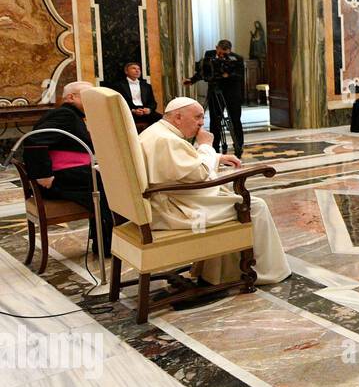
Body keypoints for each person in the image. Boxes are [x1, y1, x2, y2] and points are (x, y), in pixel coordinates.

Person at [138, 97, 290, 286]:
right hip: (174, 212)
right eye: (198, 117)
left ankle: (221, 273)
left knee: (226, 194)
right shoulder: (166, 140)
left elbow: (181, 166)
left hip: (168, 201)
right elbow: (199, 173)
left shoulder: (156, 132)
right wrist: (206, 146)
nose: (202, 123)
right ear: (178, 117)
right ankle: (265, 272)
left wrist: (217, 158)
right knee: (254, 206)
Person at [23, 81, 120, 256]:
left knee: (107, 180)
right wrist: (43, 174)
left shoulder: (69, 114)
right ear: (71, 97)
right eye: (88, 95)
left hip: (69, 174)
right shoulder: (65, 115)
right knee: (113, 185)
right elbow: (34, 140)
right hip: (58, 180)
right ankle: (112, 244)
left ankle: (106, 243)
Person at [183, 39, 245, 157]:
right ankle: (214, 148)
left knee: (235, 120)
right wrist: (192, 80)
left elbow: (240, 75)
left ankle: (239, 146)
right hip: (214, 90)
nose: (222, 56)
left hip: (232, 93)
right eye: (220, 53)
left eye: (225, 53)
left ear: (230, 51)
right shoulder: (209, 55)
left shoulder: (237, 59)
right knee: (215, 120)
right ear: (216, 48)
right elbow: (204, 71)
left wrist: (228, 75)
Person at [111, 61, 159, 127]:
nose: (137, 71)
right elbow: (117, 103)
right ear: (126, 71)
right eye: (134, 68)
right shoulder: (119, 86)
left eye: (139, 69)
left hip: (144, 111)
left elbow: (153, 102)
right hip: (129, 111)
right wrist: (133, 110)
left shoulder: (146, 86)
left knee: (161, 119)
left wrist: (149, 110)